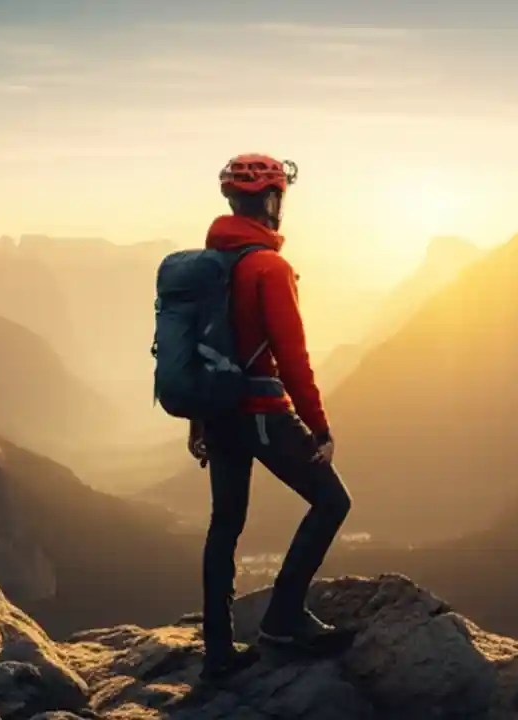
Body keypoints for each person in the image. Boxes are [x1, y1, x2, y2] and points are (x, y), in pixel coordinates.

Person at [188, 154, 352, 681]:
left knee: (225, 525)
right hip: (263, 412)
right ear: (272, 202)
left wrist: (198, 420)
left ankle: (218, 652)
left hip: (217, 413)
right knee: (331, 501)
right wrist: (318, 426)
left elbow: (197, 350)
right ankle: (283, 618)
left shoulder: (207, 267)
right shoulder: (269, 268)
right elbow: (292, 357)